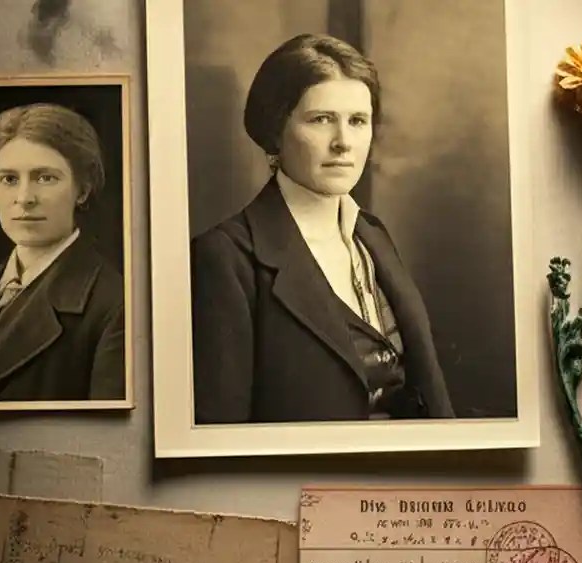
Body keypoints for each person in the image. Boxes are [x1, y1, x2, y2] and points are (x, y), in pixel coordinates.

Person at [190, 33, 454, 424]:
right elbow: (221, 436)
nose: (343, 142)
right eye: (321, 120)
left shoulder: (372, 234)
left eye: (357, 121)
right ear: (275, 130)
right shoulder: (227, 257)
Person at [0, 102, 125, 403]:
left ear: (82, 190)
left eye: (45, 178)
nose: (24, 199)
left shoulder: (114, 304)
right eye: (9, 179)